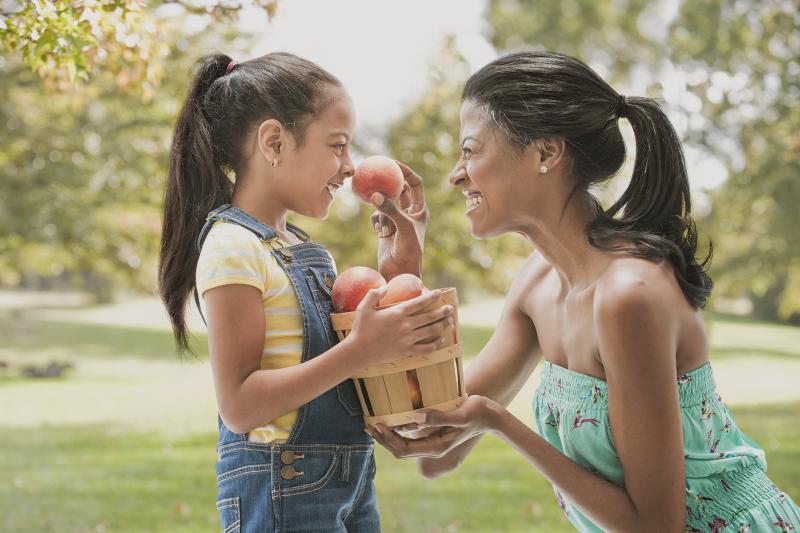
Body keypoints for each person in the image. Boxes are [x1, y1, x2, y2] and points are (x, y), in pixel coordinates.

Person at [366, 51, 800, 532]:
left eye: (471, 150)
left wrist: (500, 421)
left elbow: (657, 527)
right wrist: (404, 273)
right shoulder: (538, 282)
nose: (456, 173)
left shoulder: (627, 296)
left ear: (546, 153)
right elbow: (436, 451)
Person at [158, 52, 454, 532]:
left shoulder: (303, 248)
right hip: (283, 485)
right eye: (337, 147)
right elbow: (239, 405)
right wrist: (359, 351)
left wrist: (401, 267)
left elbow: (345, 369)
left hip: (348, 479)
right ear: (274, 141)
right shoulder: (233, 247)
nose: (349, 168)